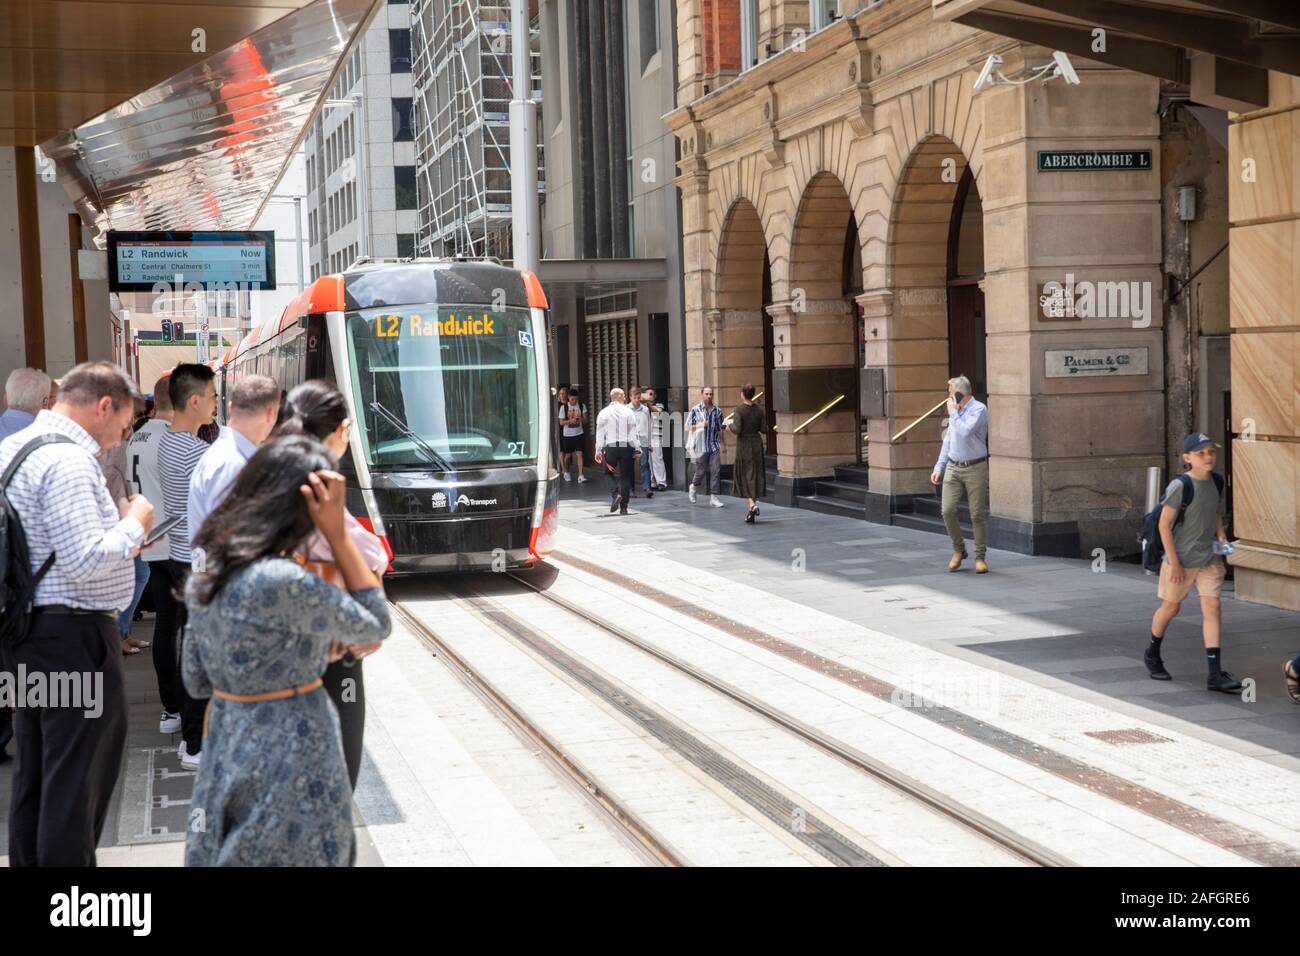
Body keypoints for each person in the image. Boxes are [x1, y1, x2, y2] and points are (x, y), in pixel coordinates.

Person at [184, 436, 390, 866]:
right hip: (294, 743)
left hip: (227, 735)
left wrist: (289, 656)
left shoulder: (207, 578)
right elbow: (375, 621)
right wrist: (338, 536)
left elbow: (196, 678)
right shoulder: (282, 580)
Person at [0, 361, 154, 865]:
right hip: (73, 639)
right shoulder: (68, 462)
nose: (120, 436)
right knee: (75, 780)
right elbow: (86, 560)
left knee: (39, 771)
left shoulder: (12, 449)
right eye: (124, 424)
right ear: (102, 405)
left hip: (26, 634)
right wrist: (134, 523)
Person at [274, 380, 388, 790]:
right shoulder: (322, 489)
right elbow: (371, 562)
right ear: (339, 433)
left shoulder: (261, 483)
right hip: (328, 656)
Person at [1144, 433, 1241, 693]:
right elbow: (1164, 525)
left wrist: (1220, 533)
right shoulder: (1180, 486)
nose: (1208, 457)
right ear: (1187, 458)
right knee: (1171, 608)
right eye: (1201, 453)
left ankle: (1214, 674)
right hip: (1181, 559)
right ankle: (1152, 654)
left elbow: (1214, 511)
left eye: (1211, 452)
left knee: (1213, 608)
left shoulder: (1217, 481)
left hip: (1208, 557)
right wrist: (1174, 563)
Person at [157, 363, 219, 769]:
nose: (216, 403)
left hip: (177, 553)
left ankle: (184, 725)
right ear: (194, 401)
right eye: (213, 397)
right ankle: (194, 742)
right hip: (196, 559)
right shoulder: (199, 453)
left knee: (181, 640)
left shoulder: (166, 442)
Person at [129, 375, 184, 735]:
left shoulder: (136, 436)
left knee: (166, 626)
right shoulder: (172, 440)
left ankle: (171, 708)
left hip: (152, 545)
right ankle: (191, 712)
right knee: (192, 629)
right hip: (178, 547)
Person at [187, 376, 280, 539]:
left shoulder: (225, 454)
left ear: (230, 408)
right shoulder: (233, 464)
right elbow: (230, 537)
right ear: (271, 414)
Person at [99, 404, 151, 656]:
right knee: (138, 574)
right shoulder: (113, 444)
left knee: (138, 575)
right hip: (120, 522)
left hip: (126, 519)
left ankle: (122, 633)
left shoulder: (125, 438)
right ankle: (117, 635)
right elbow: (112, 482)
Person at [929, 375, 989, 574]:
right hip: (954, 467)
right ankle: (959, 550)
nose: (948, 397)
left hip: (975, 466)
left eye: (950, 393)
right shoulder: (955, 412)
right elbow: (949, 441)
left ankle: (980, 557)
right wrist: (939, 466)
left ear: (958, 394)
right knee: (947, 510)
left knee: (977, 515)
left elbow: (965, 431)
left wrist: (954, 413)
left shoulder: (978, 409)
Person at [594, 387, 639, 515]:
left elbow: (600, 433)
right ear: (619, 397)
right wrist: (637, 448)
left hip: (611, 447)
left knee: (608, 473)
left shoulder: (603, 412)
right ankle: (624, 507)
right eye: (624, 395)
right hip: (626, 447)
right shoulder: (628, 412)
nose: (625, 398)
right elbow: (633, 432)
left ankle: (615, 495)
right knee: (625, 477)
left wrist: (598, 450)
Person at [729, 383, 767, 523]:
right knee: (754, 474)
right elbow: (764, 429)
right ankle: (750, 512)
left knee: (745, 474)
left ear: (742, 394)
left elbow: (737, 428)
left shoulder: (739, 410)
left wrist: (729, 427)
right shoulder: (759, 410)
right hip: (756, 443)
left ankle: (752, 504)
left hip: (744, 444)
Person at [686, 386, 726, 507]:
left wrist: (723, 445)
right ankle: (693, 486)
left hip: (714, 445)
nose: (709, 396)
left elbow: (720, 429)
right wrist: (700, 425)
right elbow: (687, 427)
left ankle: (713, 497)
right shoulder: (695, 410)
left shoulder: (718, 411)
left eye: (711, 394)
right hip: (701, 446)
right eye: (706, 394)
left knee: (715, 470)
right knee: (701, 472)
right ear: (702, 394)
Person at [629, 387, 653, 499]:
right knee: (630, 466)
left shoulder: (645, 410)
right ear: (630, 397)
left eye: (639, 398)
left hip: (643, 440)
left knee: (644, 465)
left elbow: (649, 426)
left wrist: (650, 443)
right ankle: (631, 489)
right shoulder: (626, 409)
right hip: (631, 442)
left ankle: (647, 488)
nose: (637, 400)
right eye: (635, 398)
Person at [559, 389, 588, 482]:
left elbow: (586, 420)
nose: (574, 401)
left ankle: (581, 475)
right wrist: (570, 421)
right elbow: (561, 422)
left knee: (580, 454)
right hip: (567, 435)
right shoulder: (563, 408)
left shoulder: (581, 406)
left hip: (579, 433)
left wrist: (580, 419)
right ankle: (566, 472)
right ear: (568, 398)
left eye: (575, 399)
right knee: (568, 455)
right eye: (572, 399)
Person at [646, 387, 667, 490]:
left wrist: (648, 404)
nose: (649, 396)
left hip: (656, 436)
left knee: (657, 459)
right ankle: (652, 482)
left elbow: (657, 413)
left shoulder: (659, 405)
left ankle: (661, 482)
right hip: (645, 437)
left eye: (651, 394)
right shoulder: (642, 407)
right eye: (647, 394)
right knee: (648, 461)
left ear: (655, 396)